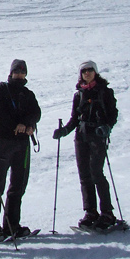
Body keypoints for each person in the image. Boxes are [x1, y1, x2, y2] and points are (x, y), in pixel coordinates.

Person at [52, 60, 119, 230]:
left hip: (97, 136)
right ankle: (91, 212)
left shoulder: (105, 92)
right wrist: (64, 131)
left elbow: (113, 114)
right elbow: (75, 119)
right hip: (81, 137)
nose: (87, 73)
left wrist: (107, 127)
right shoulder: (79, 95)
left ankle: (107, 213)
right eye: (84, 71)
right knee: (85, 175)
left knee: (96, 172)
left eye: (90, 70)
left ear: (95, 72)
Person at [0, 59, 41, 240]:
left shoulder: (27, 93)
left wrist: (28, 124)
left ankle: (11, 224)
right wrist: (16, 126)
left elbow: (36, 112)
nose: (19, 74)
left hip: (22, 145)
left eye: (22, 71)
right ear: (11, 72)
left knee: (18, 185)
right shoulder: (0, 90)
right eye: (16, 71)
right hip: (3, 143)